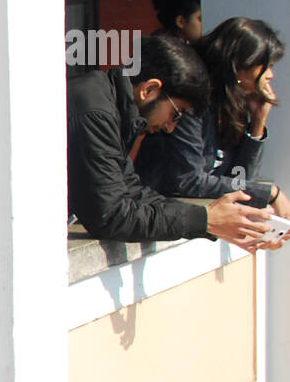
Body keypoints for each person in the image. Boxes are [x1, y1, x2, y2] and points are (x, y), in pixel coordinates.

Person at [67, 33, 270, 245]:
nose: (171, 128)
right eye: (177, 114)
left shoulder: (113, 106)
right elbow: (111, 216)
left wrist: (209, 219)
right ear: (150, 89)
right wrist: (205, 220)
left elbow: (132, 192)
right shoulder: (95, 113)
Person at [136, 17, 287, 215]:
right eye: (264, 66)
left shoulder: (231, 104)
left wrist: (258, 122)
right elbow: (188, 179)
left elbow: (240, 181)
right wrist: (269, 194)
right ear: (239, 64)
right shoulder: (189, 102)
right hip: (159, 212)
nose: (270, 75)